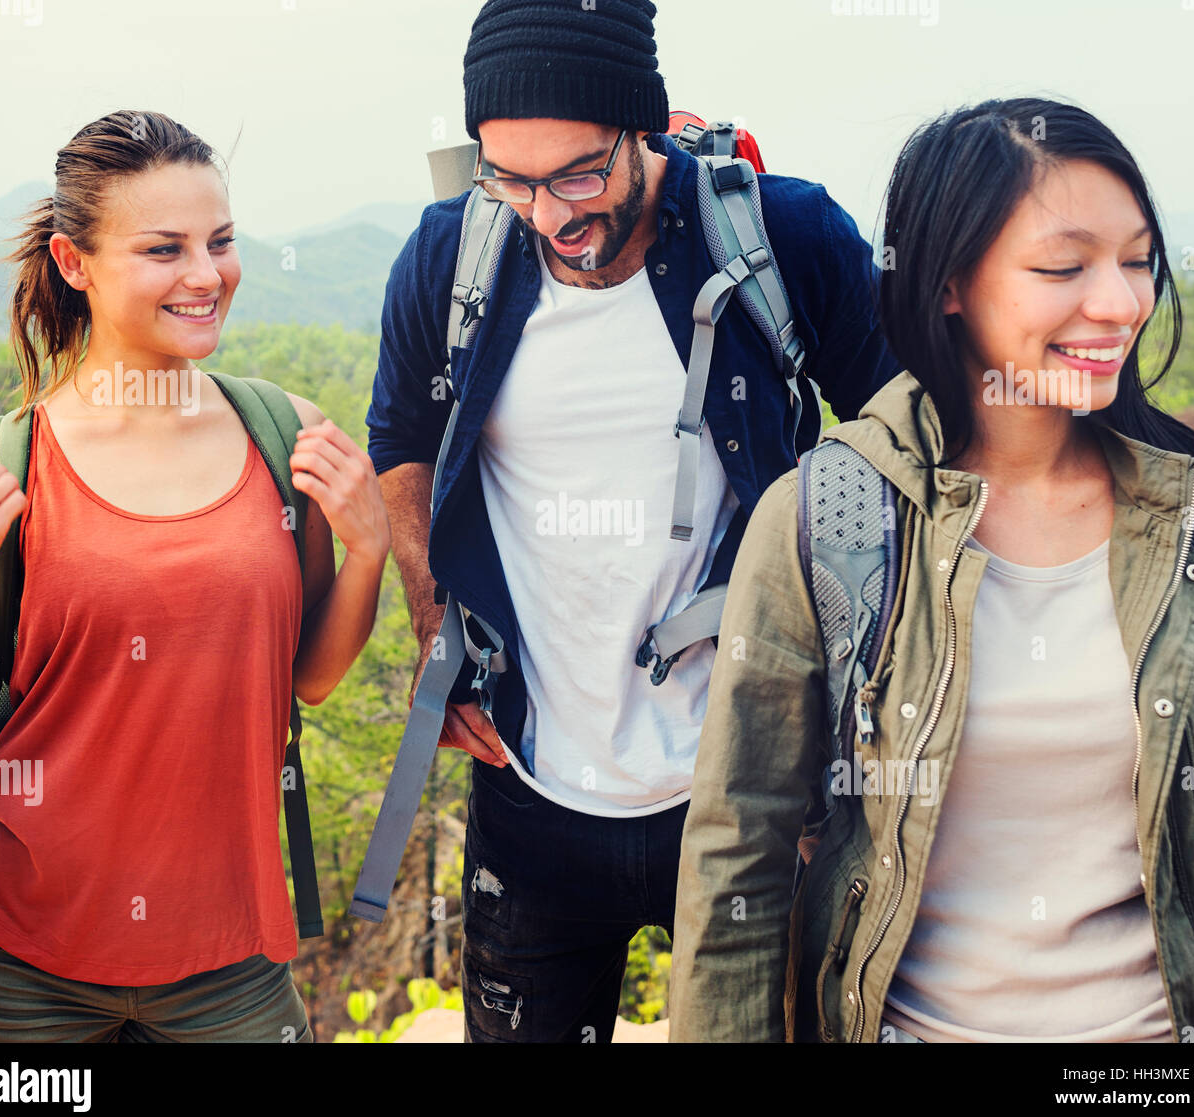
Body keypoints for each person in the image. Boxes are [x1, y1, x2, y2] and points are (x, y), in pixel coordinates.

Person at [366, 0, 900, 1042]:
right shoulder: (449, 256)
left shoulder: (783, 235)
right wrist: (439, 633)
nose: (546, 214)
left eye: (576, 173)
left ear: (642, 127)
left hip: (749, 797)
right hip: (528, 789)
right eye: (507, 177)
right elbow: (402, 440)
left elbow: (908, 441)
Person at [669, 96, 1194, 1043]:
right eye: (1063, 266)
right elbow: (739, 852)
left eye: (1137, 260)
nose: (1120, 302)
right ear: (947, 284)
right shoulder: (828, 523)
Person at [0, 110, 391, 1042]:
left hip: (230, 964)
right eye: (163, 249)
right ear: (74, 264)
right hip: (18, 970)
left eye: (220, 242)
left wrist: (370, 551)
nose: (205, 276)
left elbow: (307, 676)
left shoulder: (283, 435)